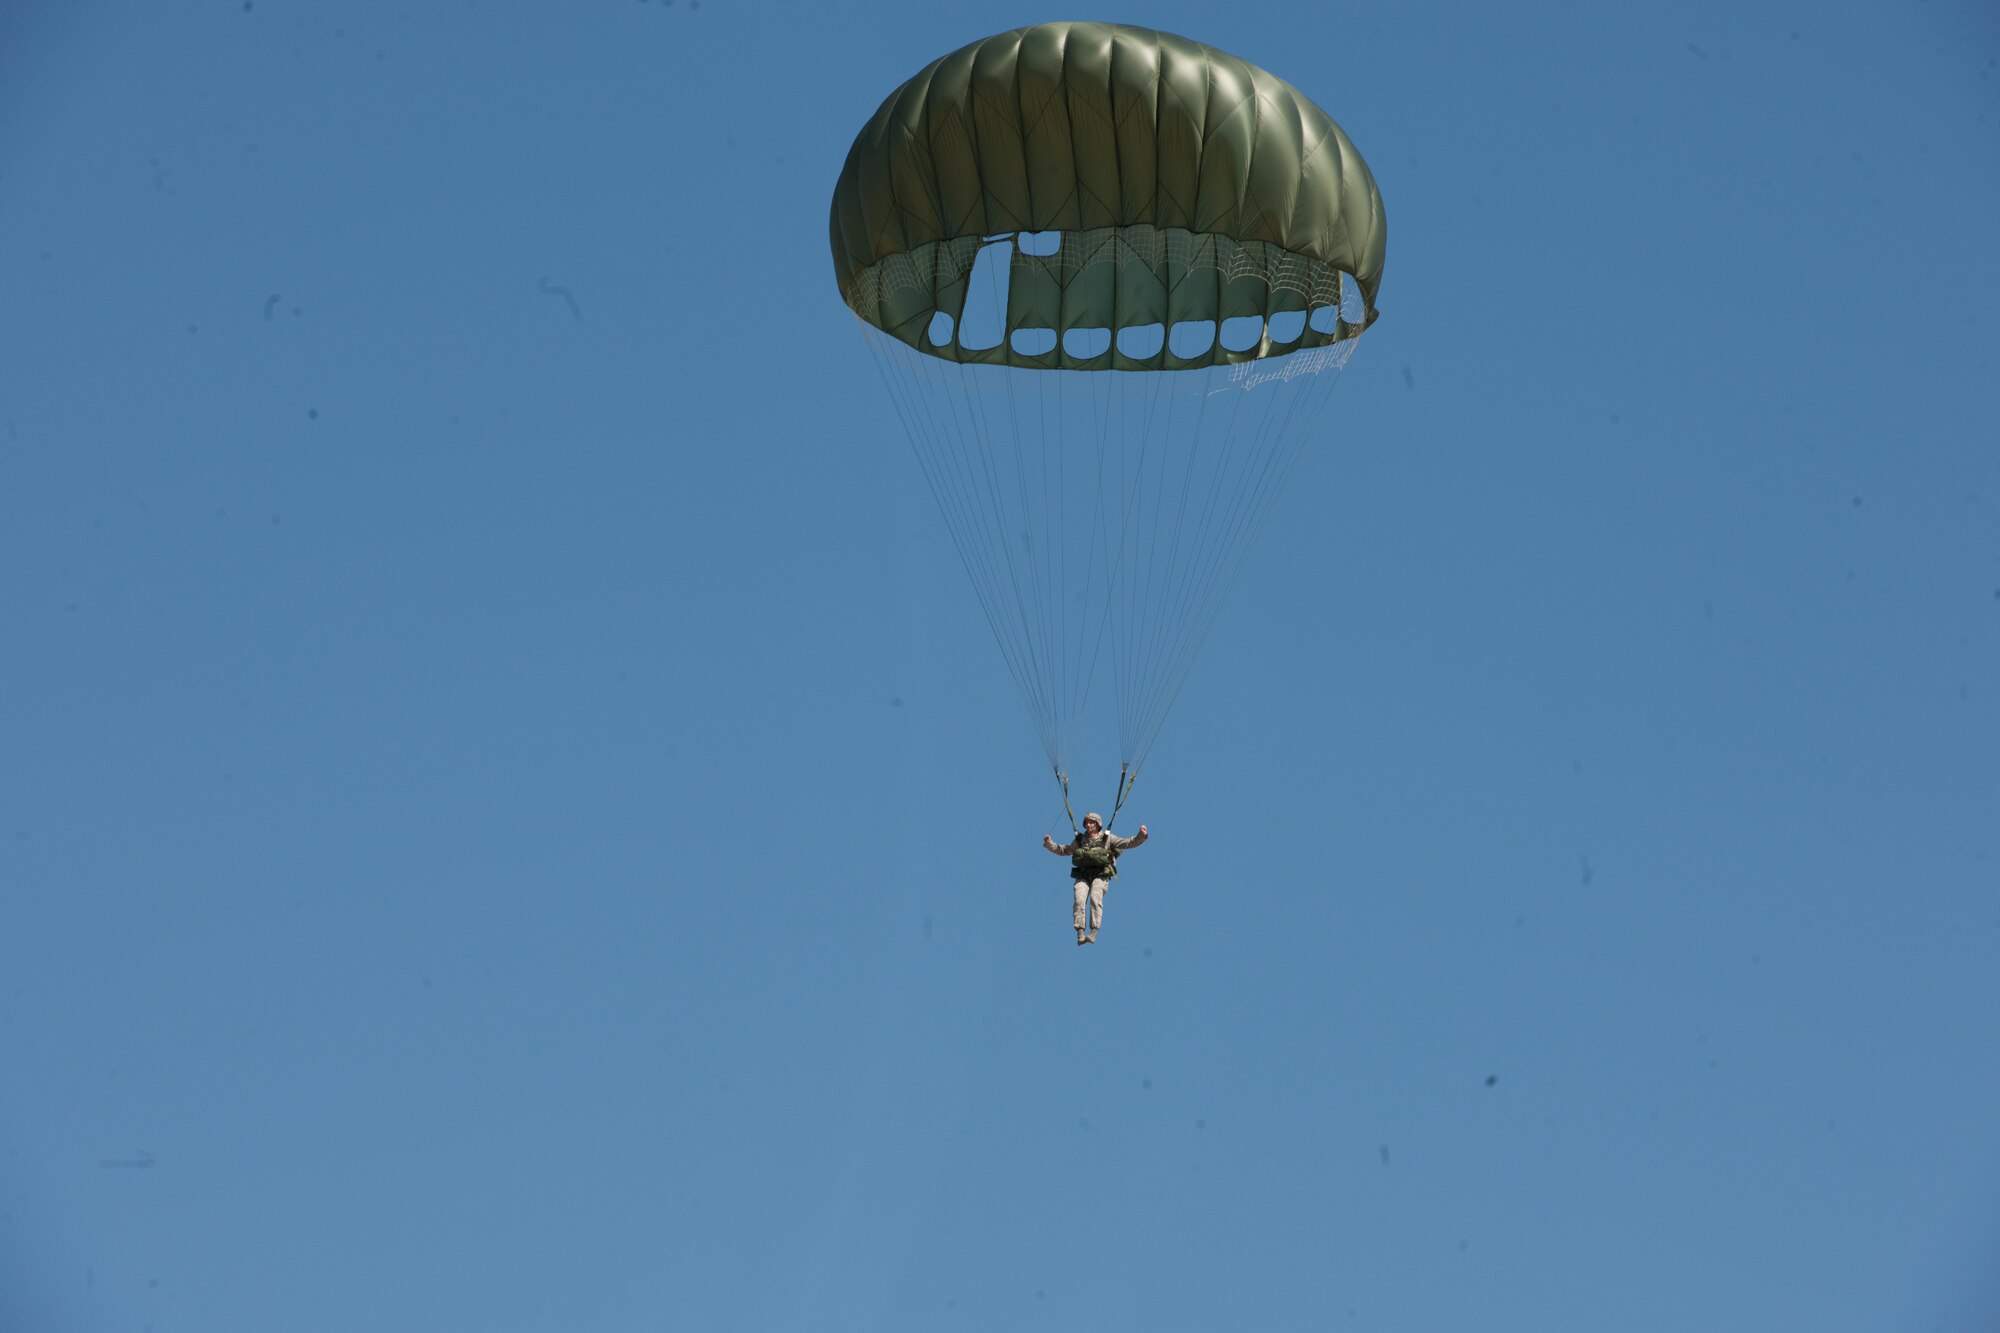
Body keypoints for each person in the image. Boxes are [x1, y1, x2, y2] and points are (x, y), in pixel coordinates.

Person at [1043, 813, 1149, 945]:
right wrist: (1049, 844)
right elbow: (1064, 850)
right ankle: (1080, 932)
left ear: (1098, 824)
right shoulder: (1080, 840)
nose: (1088, 825)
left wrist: (1141, 836)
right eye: (1086, 823)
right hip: (1083, 875)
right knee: (1079, 899)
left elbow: (1127, 843)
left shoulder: (1108, 838)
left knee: (1095, 897)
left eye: (1091, 822)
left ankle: (1093, 931)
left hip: (1101, 875)